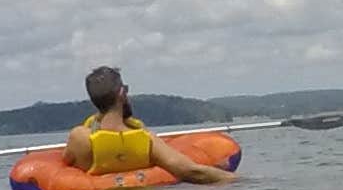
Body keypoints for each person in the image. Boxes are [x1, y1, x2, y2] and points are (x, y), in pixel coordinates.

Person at [64, 64, 234, 182]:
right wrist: (239, 181)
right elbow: (191, 171)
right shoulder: (146, 140)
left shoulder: (79, 138)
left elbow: (64, 163)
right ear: (122, 93)